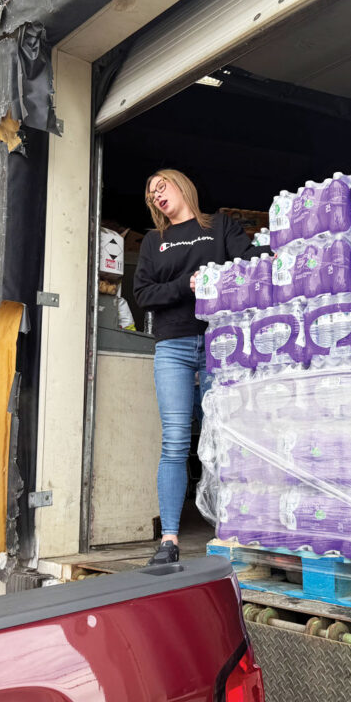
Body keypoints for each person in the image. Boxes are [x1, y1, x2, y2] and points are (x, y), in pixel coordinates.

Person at [133, 170, 261, 565]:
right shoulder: (154, 241)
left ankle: (229, 530)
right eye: (151, 195)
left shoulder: (219, 227)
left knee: (222, 437)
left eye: (161, 186)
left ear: (181, 184)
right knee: (175, 441)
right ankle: (169, 539)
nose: (157, 196)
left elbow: (250, 264)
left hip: (220, 342)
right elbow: (143, 293)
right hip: (173, 345)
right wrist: (184, 285)